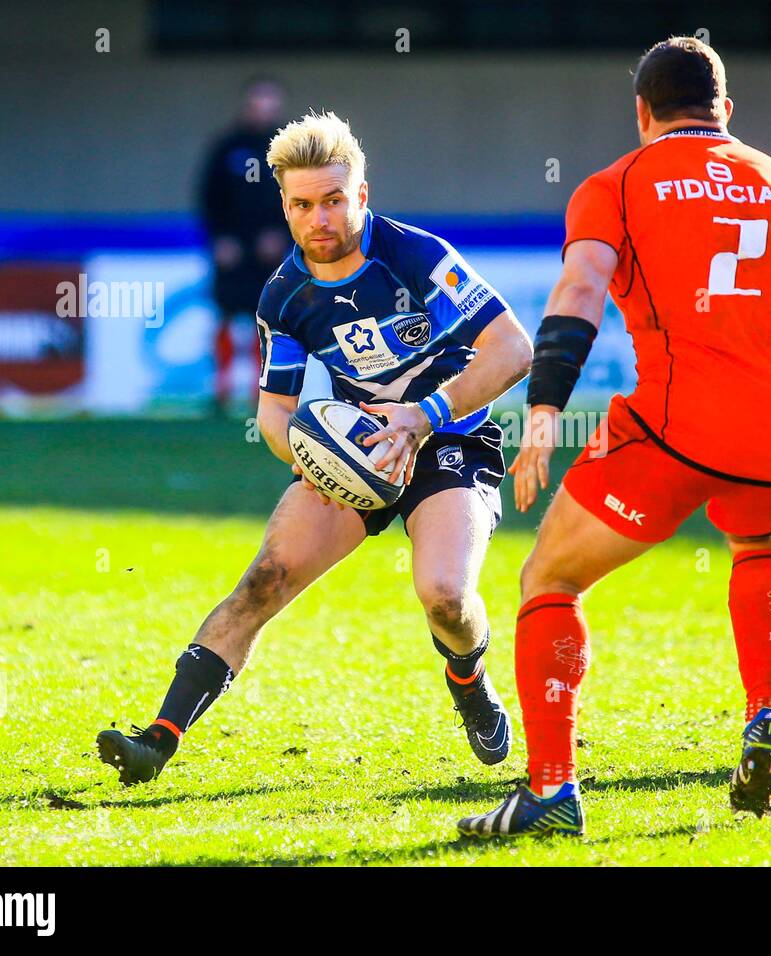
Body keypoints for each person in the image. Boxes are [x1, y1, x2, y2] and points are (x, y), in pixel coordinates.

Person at [458, 37, 771, 838]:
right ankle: (770, 715)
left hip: (676, 427)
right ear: (725, 108)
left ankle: (551, 792)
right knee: (764, 536)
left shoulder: (616, 184)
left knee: (549, 579)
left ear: (643, 113)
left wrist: (544, 408)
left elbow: (581, 290)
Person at [98, 111, 533, 785]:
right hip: (357, 455)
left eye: (333, 200)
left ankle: (467, 677)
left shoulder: (417, 257)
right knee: (263, 580)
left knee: (445, 595)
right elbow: (274, 412)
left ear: (362, 193)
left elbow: (512, 349)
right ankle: (158, 739)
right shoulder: (284, 296)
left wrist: (421, 417)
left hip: (448, 440)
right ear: (284, 205)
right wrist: (304, 456)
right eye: (303, 205)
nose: (319, 219)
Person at [198, 76, 291, 413]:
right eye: (258, 102)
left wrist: (282, 234)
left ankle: (261, 391)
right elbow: (209, 197)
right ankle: (221, 390)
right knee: (225, 313)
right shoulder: (227, 147)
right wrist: (220, 239)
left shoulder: (289, 149)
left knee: (265, 320)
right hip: (231, 250)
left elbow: (299, 196)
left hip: (270, 252)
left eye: (270, 103)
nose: (263, 110)